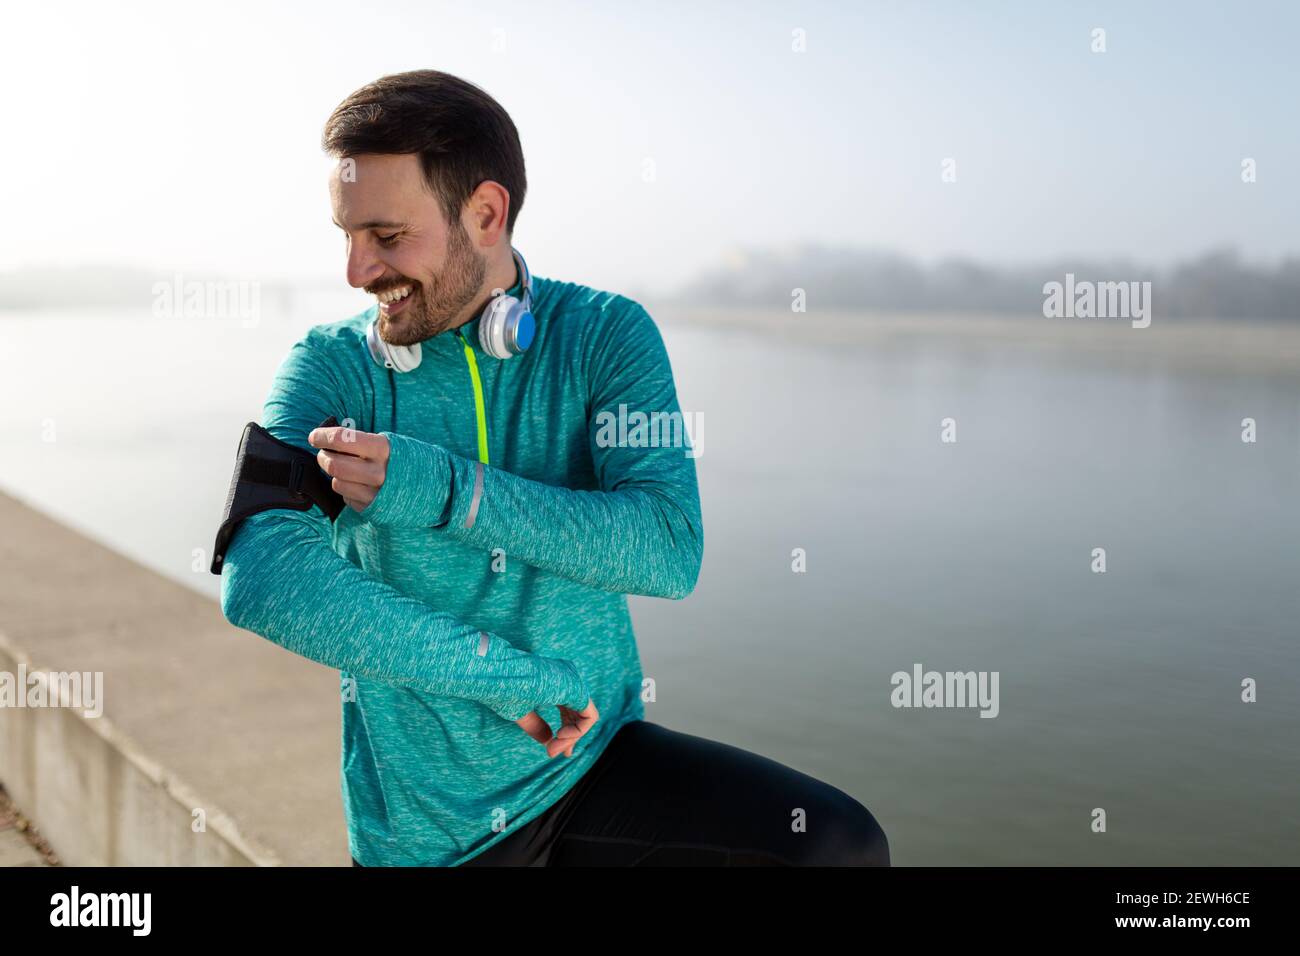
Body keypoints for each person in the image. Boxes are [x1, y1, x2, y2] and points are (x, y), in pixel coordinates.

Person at [219, 69, 889, 867]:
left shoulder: (605, 335)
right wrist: (509, 679)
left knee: (838, 847)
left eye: (387, 237)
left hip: (595, 761)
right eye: (348, 234)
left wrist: (443, 491)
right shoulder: (331, 368)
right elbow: (262, 576)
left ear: (487, 213)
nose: (358, 271)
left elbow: (668, 548)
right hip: (436, 835)